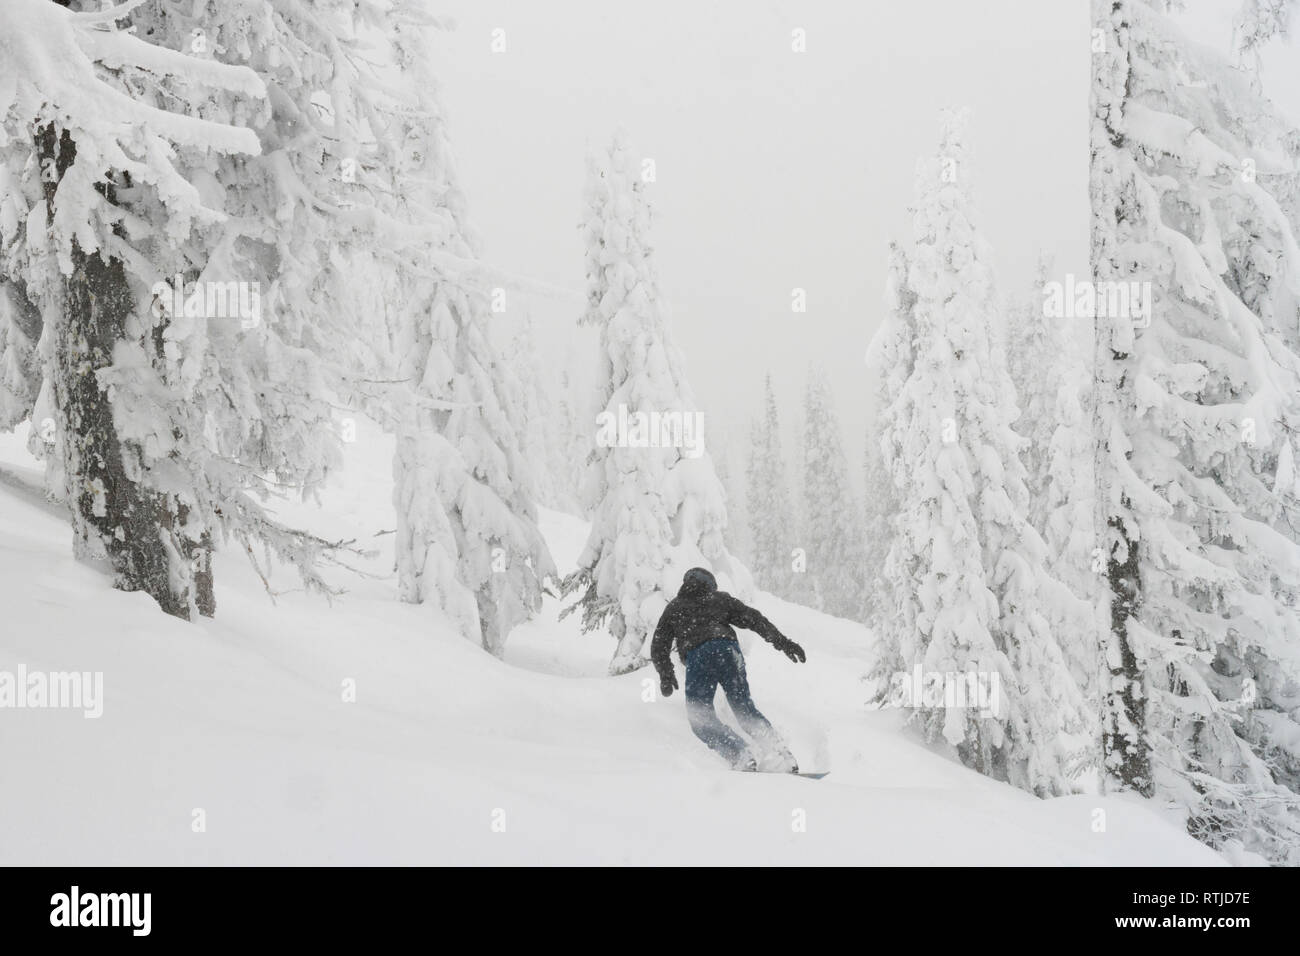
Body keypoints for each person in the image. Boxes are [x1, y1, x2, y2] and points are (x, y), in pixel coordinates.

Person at [650, 567, 806, 771]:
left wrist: (666, 674)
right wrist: (783, 642)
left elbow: (659, 644)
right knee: (744, 709)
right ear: (711, 584)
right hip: (728, 651)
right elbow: (754, 619)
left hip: (699, 657)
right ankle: (781, 756)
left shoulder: (675, 607)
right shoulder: (719, 599)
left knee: (701, 718)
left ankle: (741, 755)